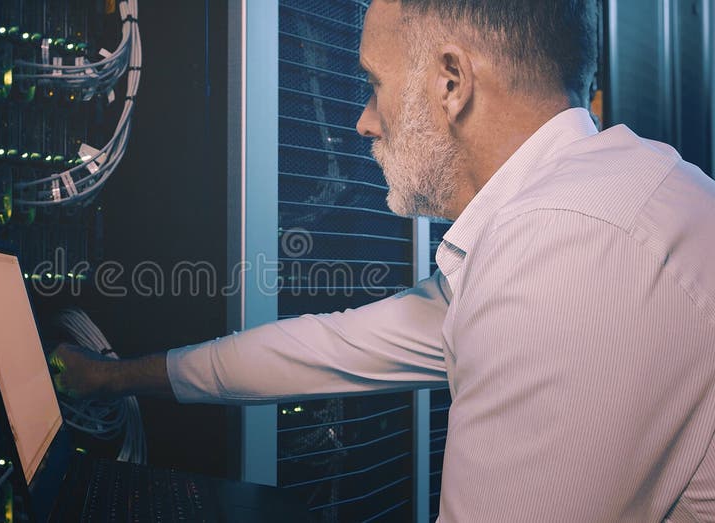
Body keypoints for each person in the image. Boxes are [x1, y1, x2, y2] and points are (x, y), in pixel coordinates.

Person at [49, 0, 715, 520]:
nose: (364, 121)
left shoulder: (564, 256)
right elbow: (321, 349)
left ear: (451, 81)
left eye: (373, 83)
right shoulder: (585, 206)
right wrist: (113, 378)